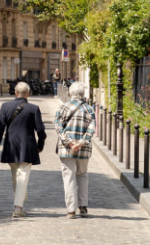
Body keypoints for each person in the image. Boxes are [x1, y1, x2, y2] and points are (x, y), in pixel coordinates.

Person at [0, 82, 47, 218]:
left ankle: (19, 203)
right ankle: (18, 207)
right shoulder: (33, 108)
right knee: (22, 176)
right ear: (28, 94)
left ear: (16, 93)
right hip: (27, 147)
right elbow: (41, 130)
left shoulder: (5, 106)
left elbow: (0, 128)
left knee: (17, 175)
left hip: (11, 146)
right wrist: (40, 145)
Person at [55, 82, 96, 219]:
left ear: (70, 93)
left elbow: (59, 128)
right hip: (83, 150)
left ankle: (71, 210)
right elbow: (91, 129)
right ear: (83, 94)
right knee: (82, 175)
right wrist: (81, 143)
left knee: (69, 177)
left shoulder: (63, 108)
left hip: (66, 149)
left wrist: (69, 142)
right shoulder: (89, 109)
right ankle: (83, 206)